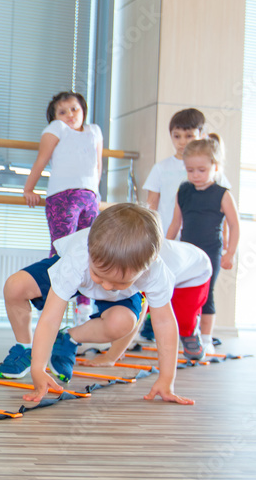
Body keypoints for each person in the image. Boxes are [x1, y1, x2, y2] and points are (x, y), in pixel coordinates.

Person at [0, 204, 195, 405]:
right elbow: (50, 318)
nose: (107, 286)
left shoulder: (155, 271)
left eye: (119, 281)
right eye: (100, 276)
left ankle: (68, 339)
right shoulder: (78, 259)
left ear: (144, 269)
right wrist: (38, 368)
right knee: (15, 286)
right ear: (90, 250)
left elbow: (165, 323)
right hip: (81, 274)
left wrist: (167, 379)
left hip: (119, 292)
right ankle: (26, 348)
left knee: (123, 323)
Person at [141, 108, 229, 342]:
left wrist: (228, 245)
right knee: (162, 283)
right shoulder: (162, 168)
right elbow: (152, 203)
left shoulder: (213, 171)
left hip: (201, 241)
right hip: (169, 237)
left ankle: (195, 332)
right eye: (177, 136)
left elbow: (226, 211)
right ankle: (154, 326)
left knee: (196, 289)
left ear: (201, 134)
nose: (182, 142)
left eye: (189, 136)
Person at [22, 91, 103, 322]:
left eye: (75, 109)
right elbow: (41, 159)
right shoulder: (57, 129)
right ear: (55, 117)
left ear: (83, 110)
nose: (70, 115)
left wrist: (96, 193)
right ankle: (50, 305)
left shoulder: (94, 131)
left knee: (90, 250)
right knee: (61, 250)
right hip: (63, 197)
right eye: (62, 111)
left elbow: (98, 165)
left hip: (89, 197)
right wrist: (29, 189)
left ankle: (84, 309)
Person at [83, 239, 213, 364]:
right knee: (133, 307)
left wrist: (112, 356)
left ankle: (191, 332)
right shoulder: (127, 257)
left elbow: (139, 313)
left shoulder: (152, 270)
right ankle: (145, 327)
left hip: (194, 272)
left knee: (183, 317)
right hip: (171, 269)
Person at [167, 134, 240, 356]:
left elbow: (235, 225)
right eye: (190, 170)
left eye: (201, 170)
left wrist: (230, 253)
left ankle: (206, 338)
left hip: (210, 254)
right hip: (186, 253)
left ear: (214, 166)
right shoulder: (184, 191)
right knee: (183, 294)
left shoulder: (222, 194)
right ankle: (190, 334)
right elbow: (175, 223)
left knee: (207, 295)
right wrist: (166, 248)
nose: (195, 175)